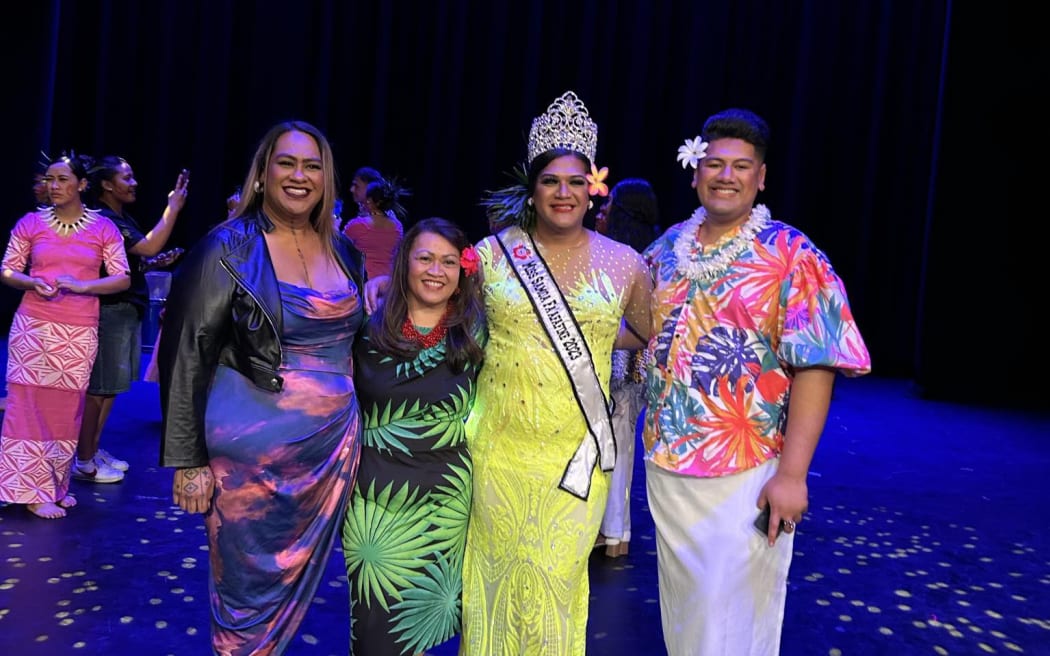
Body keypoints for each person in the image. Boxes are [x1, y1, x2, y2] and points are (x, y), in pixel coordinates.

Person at [643, 108, 872, 655]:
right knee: (688, 619)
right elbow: (633, 332)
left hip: (746, 472)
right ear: (695, 172)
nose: (726, 176)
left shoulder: (791, 254)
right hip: (667, 469)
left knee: (734, 619)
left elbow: (817, 364)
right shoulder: (664, 251)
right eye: (715, 164)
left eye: (741, 166)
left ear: (761, 177)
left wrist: (792, 476)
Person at [157, 120, 367, 654]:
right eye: (287, 163)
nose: (300, 176)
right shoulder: (225, 247)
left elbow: (355, 345)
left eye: (313, 165)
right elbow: (187, 353)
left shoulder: (346, 251)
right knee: (244, 594)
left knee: (294, 592)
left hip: (329, 453)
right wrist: (188, 460)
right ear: (262, 174)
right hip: (248, 461)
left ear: (327, 178)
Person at [460, 91, 652, 654]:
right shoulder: (491, 255)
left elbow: (643, 330)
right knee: (493, 578)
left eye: (575, 181)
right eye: (550, 181)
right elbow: (464, 332)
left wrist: (591, 333)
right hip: (497, 449)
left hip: (577, 454)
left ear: (592, 189)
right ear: (533, 189)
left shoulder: (625, 264)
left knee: (554, 578)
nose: (563, 192)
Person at [341, 217, 486, 656]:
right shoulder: (364, 328)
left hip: (445, 502)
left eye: (447, 261)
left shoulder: (479, 334)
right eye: (424, 258)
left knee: (417, 631)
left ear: (463, 271)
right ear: (405, 262)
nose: (435, 271)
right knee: (374, 633)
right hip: (374, 505)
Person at [0, 153, 130, 518]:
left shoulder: (103, 228)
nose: (53, 186)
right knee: (27, 406)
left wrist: (83, 285)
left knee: (66, 409)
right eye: (49, 180)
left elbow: (122, 277)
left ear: (82, 185)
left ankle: (55, 486)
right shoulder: (30, 223)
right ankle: (29, 490)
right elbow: (8, 270)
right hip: (33, 326)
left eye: (61, 179)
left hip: (78, 330)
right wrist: (31, 280)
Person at [73, 157, 189, 483]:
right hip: (110, 312)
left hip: (125, 310)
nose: (134, 182)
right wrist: (173, 207)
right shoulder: (107, 218)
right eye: (127, 176)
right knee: (99, 389)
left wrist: (150, 265)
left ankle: (92, 450)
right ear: (108, 185)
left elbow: (128, 263)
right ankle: (83, 459)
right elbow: (149, 243)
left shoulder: (123, 217)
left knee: (110, 389)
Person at [592, 178, 661, 558]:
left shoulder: (639, 257)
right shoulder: (613, 252)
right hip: (615, 365)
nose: (602, 209)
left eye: (611, 204)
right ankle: (611, 529)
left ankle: (614, 532)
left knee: (616, 445)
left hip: (625, 367)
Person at [341, 175, 408, 280]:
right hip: (388, 285)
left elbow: (338, 247)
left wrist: (334, 227)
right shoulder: (398, 227)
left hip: (364, 285)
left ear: (370, 201)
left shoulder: (358, 225)